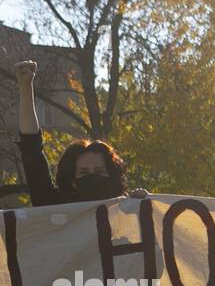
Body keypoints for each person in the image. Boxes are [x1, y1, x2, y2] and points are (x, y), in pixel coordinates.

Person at [14, 60, 140, 206]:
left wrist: (144, 205)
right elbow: (32, 150)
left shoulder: (126, 210)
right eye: (84, 173)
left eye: (99, 171)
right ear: (71, 178)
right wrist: (25, 87)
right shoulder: (54, 205)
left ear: (111, 174)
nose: (92, 178)